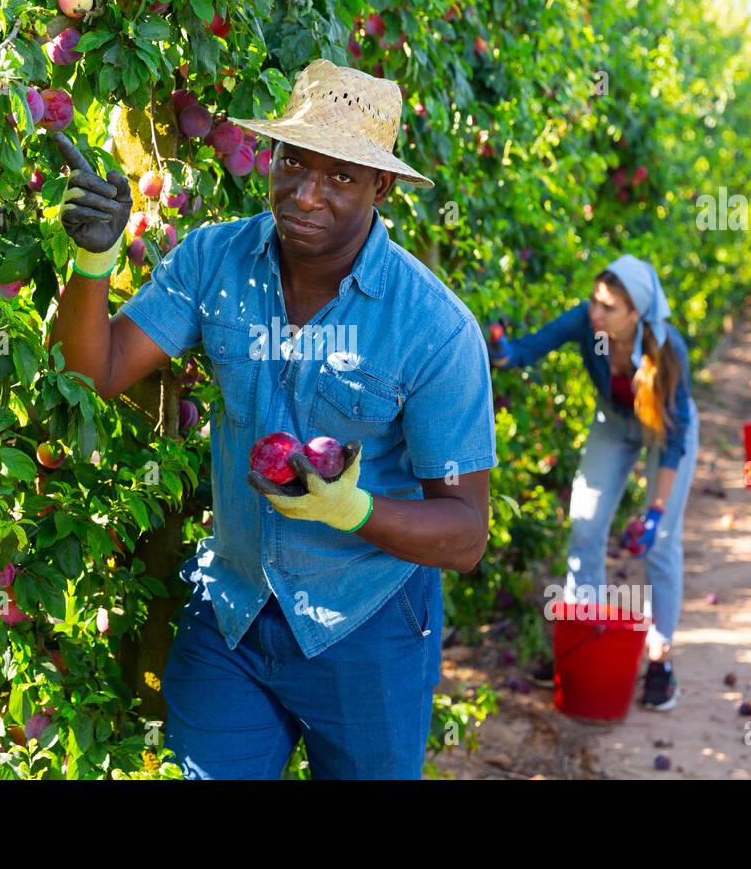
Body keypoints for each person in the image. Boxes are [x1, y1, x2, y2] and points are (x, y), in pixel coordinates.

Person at [46, 59, 497, 779]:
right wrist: (93, 261)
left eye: (341, 177)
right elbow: (91, 373)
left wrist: (350, 508)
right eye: (293, 163)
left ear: (382, 187)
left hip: (368, 626)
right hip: (235, 613)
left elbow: (467, 535)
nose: (306, 195)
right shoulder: (214, 261)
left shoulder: (434, 328)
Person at [489, 255, 698, 711]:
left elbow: (677, 438)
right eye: (595, 302)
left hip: (662, 426)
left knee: (661, 542)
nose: (596, 313)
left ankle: (660, 660)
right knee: (585, 524)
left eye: (608, 308)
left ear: (635, 314)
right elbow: (529, 349)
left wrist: (656, 510)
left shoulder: (667, 349)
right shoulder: (587, 323)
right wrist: (503, 350)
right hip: (614, 421)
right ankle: (585, 642)